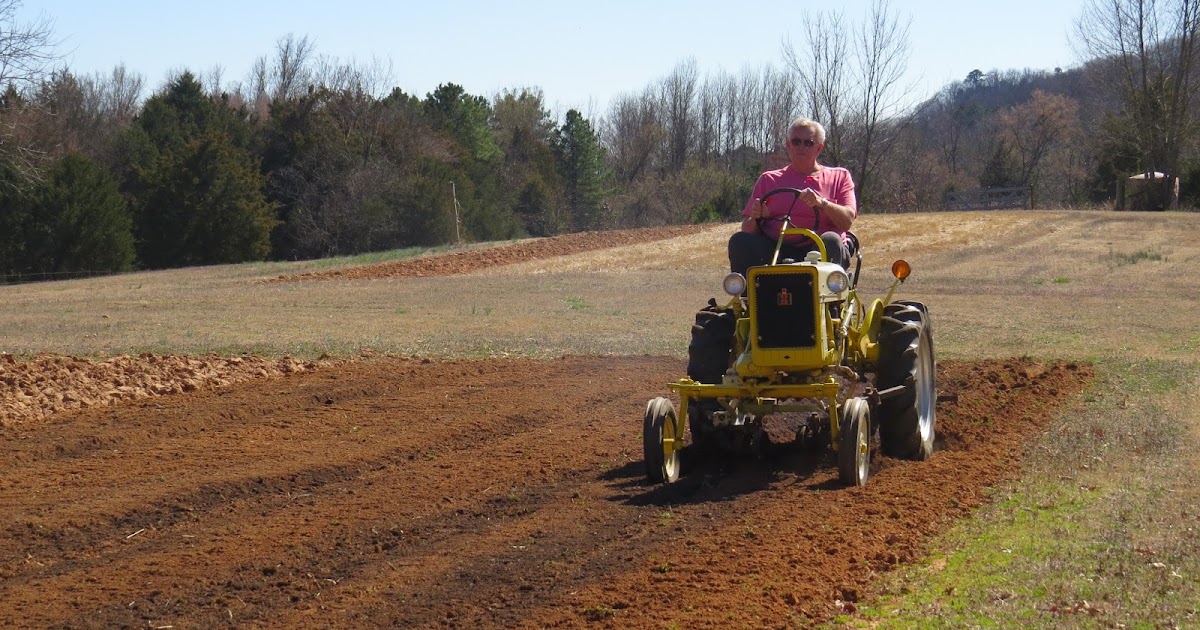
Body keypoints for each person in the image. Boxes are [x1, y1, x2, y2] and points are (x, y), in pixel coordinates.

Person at [728, 117, 857, 277]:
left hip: (818, 248)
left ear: (819, 148)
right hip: (776, 248)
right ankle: (748, 291)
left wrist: (822, 203)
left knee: (831, 240)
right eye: (796, 142)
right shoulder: (769, 179)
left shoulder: (839, 177)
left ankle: (828, 291)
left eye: (808, 143)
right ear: (789, 145)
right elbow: (748, 229)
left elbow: (847, 222)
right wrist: (755, 218)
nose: (801, 147)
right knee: (740, 241)